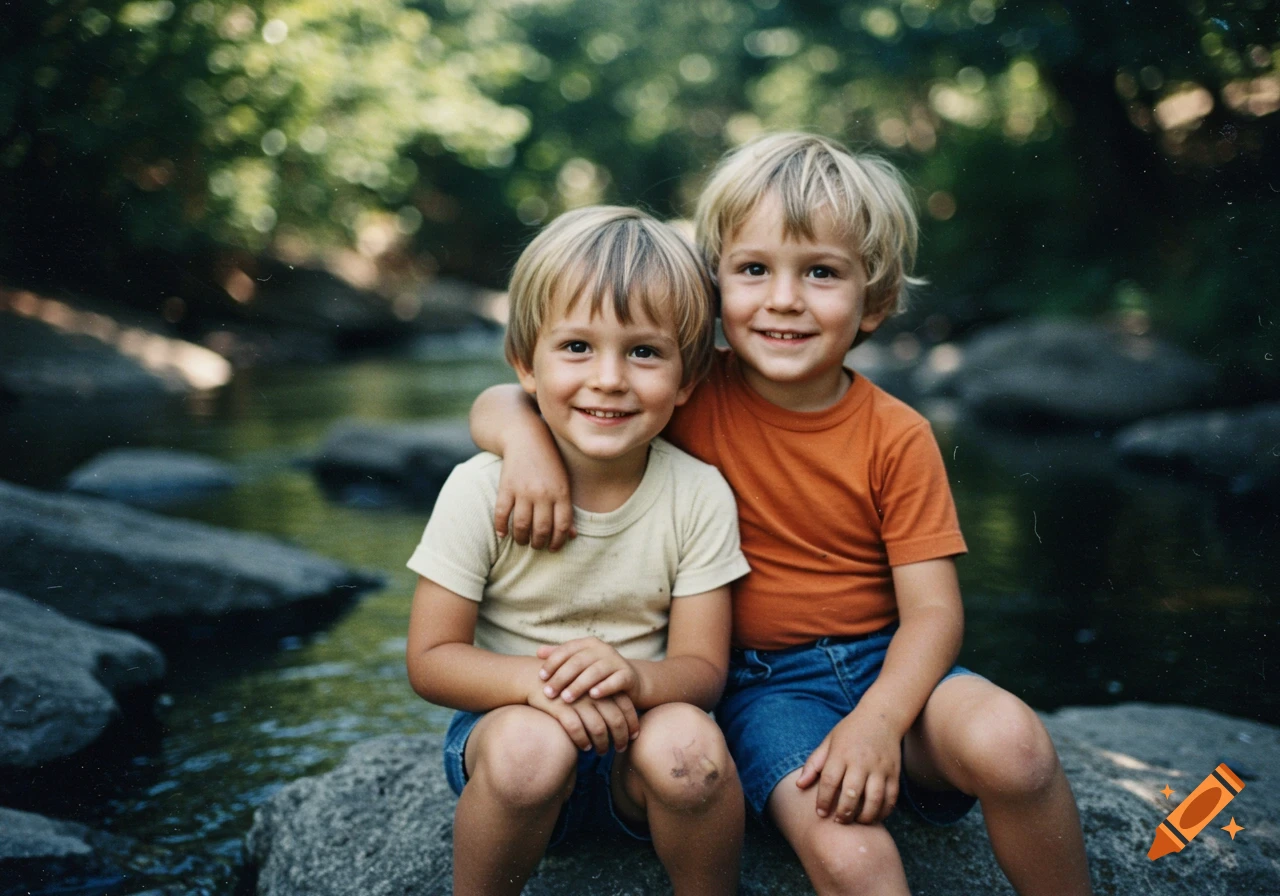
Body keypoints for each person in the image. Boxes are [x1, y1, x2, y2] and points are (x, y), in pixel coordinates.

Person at [468, 133, 1092, 896]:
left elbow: (933, 614)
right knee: (859, 862)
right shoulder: (685, 390)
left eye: (821, 273)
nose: (785, 298)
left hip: (887, 666)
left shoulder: (898, 435)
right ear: (714, 285)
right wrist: (525, 445)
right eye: (754, 269)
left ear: (877, 301)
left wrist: (879, 724)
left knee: (1017, 746)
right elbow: (508, 393)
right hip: (764, 691)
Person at [405, 205, 750, 896]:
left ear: (687, 380)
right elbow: (431, 661)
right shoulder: (481, 489)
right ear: (524, 365)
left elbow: (703, 669)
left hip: (639, 753)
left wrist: (634, 677)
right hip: (514, 738)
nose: (610, 377)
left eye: (645, 351)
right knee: (531, 752)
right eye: (577, 348)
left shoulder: (698, 494)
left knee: (691, 751)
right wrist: (535, 688)